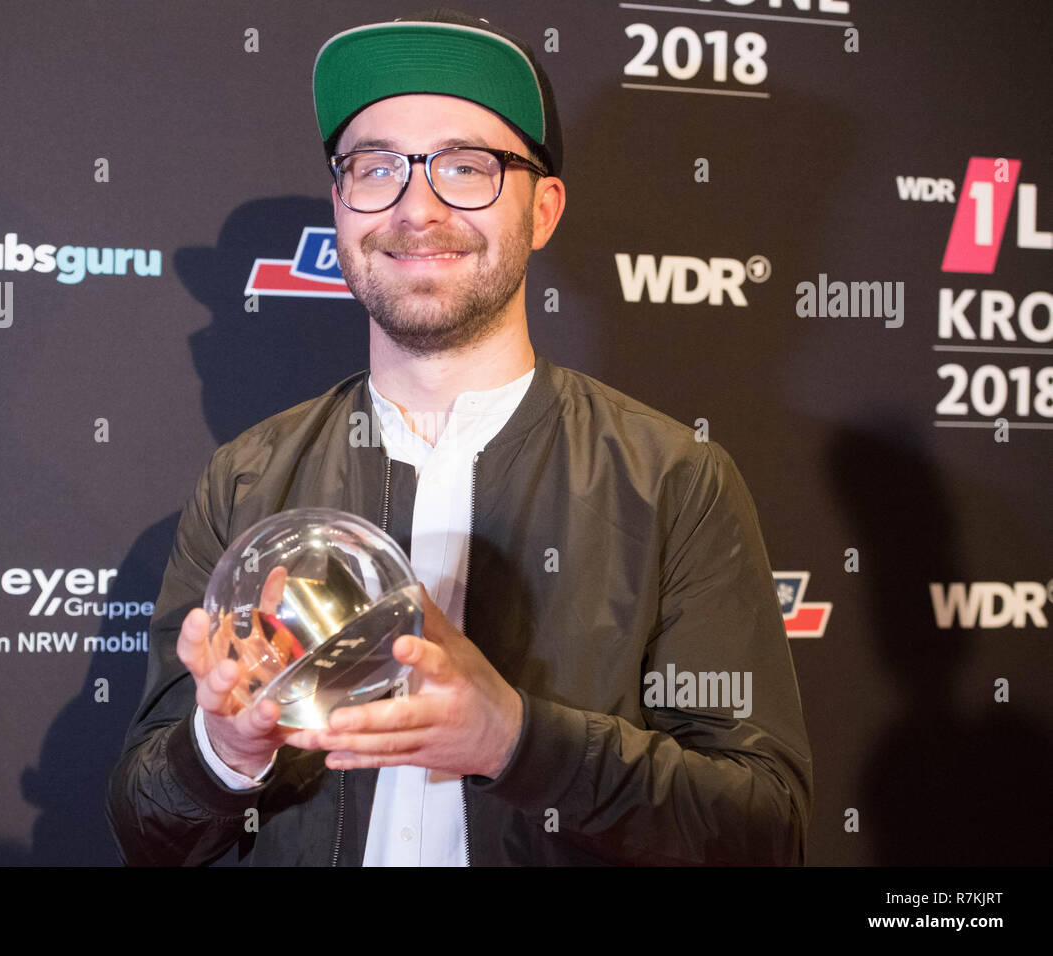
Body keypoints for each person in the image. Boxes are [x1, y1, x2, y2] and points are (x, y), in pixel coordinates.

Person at [107, 9, 813, 866]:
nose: (416, 207)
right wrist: (222, 752)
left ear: (543, 210)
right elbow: (148, 830)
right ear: (341, 207)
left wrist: (514, 739)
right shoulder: (244, 481)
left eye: (466, 167)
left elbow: (763, 826)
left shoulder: (673, 481)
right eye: (376, 168)